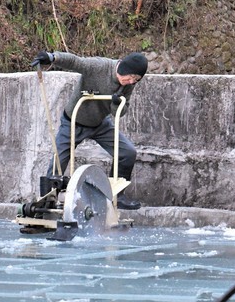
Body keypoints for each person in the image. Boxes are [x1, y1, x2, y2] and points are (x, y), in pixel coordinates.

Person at [31, 50, 148, 210]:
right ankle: (47, 202)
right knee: (58, 161)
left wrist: (116, 103)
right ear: (123, 68)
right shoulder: (99, 66)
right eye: (130, 77)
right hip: (74, 121)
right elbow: (75, 61)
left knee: (127, 152)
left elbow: (120, 111)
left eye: (136, 80)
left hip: (100, 124)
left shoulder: (128, 85)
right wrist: (53, 57)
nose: (130, 82)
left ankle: (117, 196)